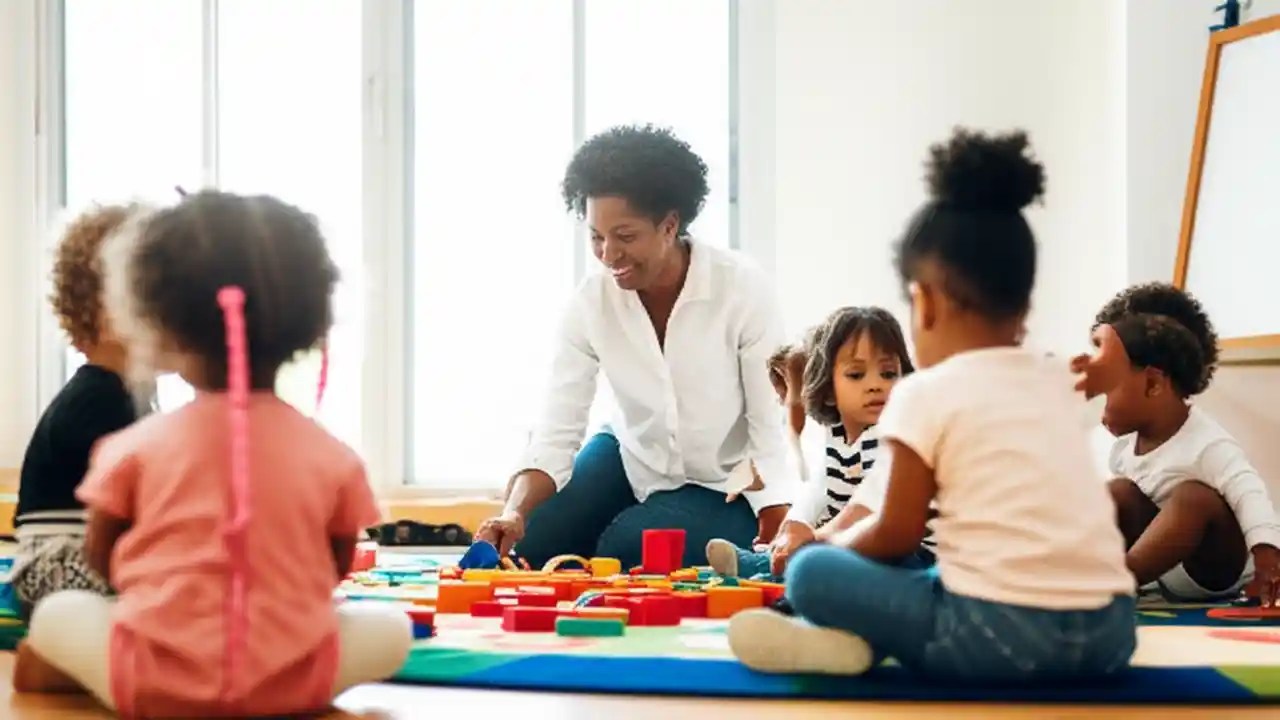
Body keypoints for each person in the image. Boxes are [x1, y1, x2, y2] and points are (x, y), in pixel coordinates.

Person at [728, 128, 1136, 681]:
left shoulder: (923, 394)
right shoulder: (1050, 377)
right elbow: (1100, 372)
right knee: (927, 580)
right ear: (1025, 300)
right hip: (1110, 633)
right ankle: (855, 640)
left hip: (1000, 639)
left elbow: (895, 532)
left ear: (924, 303)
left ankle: (852, 643)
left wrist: (824, 547)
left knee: (813, 574)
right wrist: (1109, 358)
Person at [13, 191, 411, 717]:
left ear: (159, 323)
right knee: (391, 629)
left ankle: (81, 665)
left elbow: (103, 552)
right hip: (291, 683)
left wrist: (162, 602)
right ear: (313, 329)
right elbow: (333, 565)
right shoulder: (334, 456)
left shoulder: (133, 446)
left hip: (149, 682)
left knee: (61, 614)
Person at [475, 125, 793, 569]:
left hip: (726, 483)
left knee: (628, 548)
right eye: (596, 237)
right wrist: (514, 511)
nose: (608, 254)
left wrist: (778, 519)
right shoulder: (590, 303)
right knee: (532, 542)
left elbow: (768, 427)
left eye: (625, 237)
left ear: (669, 226)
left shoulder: (741, 288)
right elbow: (557, 430)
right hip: (631, 456)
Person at [706, 306, 936, 579]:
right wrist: (795, 523)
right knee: (807, 554)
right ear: (827, 390)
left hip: (912, 555)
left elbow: (865, 511)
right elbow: (820, 485)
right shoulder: (836, 433)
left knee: (820, 565)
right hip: (853, 540)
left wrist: (810, 542)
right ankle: (768, 565)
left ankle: (773, 572)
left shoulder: (892, 436)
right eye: (856, 375)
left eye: (888, 373)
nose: (876, 385)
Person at [1094, 283, 1280, 606]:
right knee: (1116, 492)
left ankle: (1117, 581)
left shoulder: (1207, 443)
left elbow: (1249, 491)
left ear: (1153, 383)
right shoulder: (1125, 449)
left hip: (1214, 569)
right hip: (1164, 569)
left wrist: (1267, 550)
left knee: (1193, 497)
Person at [8, 204, 149, 619]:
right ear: (110, 318)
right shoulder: (99, 400)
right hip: (54, 567)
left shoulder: (128, 395)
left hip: (78, 559)